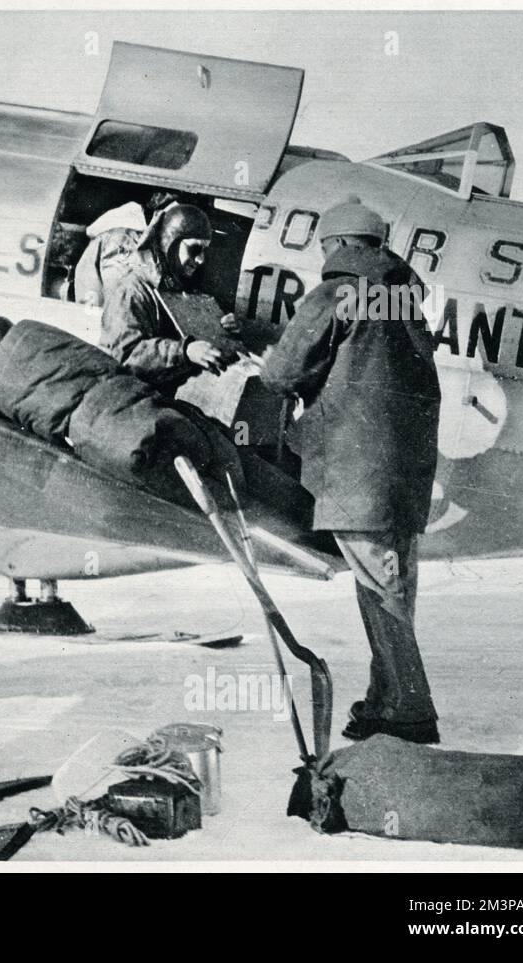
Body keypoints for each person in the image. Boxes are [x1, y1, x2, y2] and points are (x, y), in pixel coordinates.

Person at [257, 196, 442, 744]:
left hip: (357, 470)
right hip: (406, 474)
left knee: (380, 591)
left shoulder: (338, 293)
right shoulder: (407, 303)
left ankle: (410, 709)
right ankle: (387, 699)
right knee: (390, 588)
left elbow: (281, 372)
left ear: (337, 245)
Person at [98, 201, 234, 396]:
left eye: (205, 251)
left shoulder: (179, 289)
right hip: (121, 397)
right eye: (194, 249)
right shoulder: (133, 290)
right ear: (170, 243)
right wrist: (184, 352)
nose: (201, 259)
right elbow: (125, 357)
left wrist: (223, 333)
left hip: (154, 396)